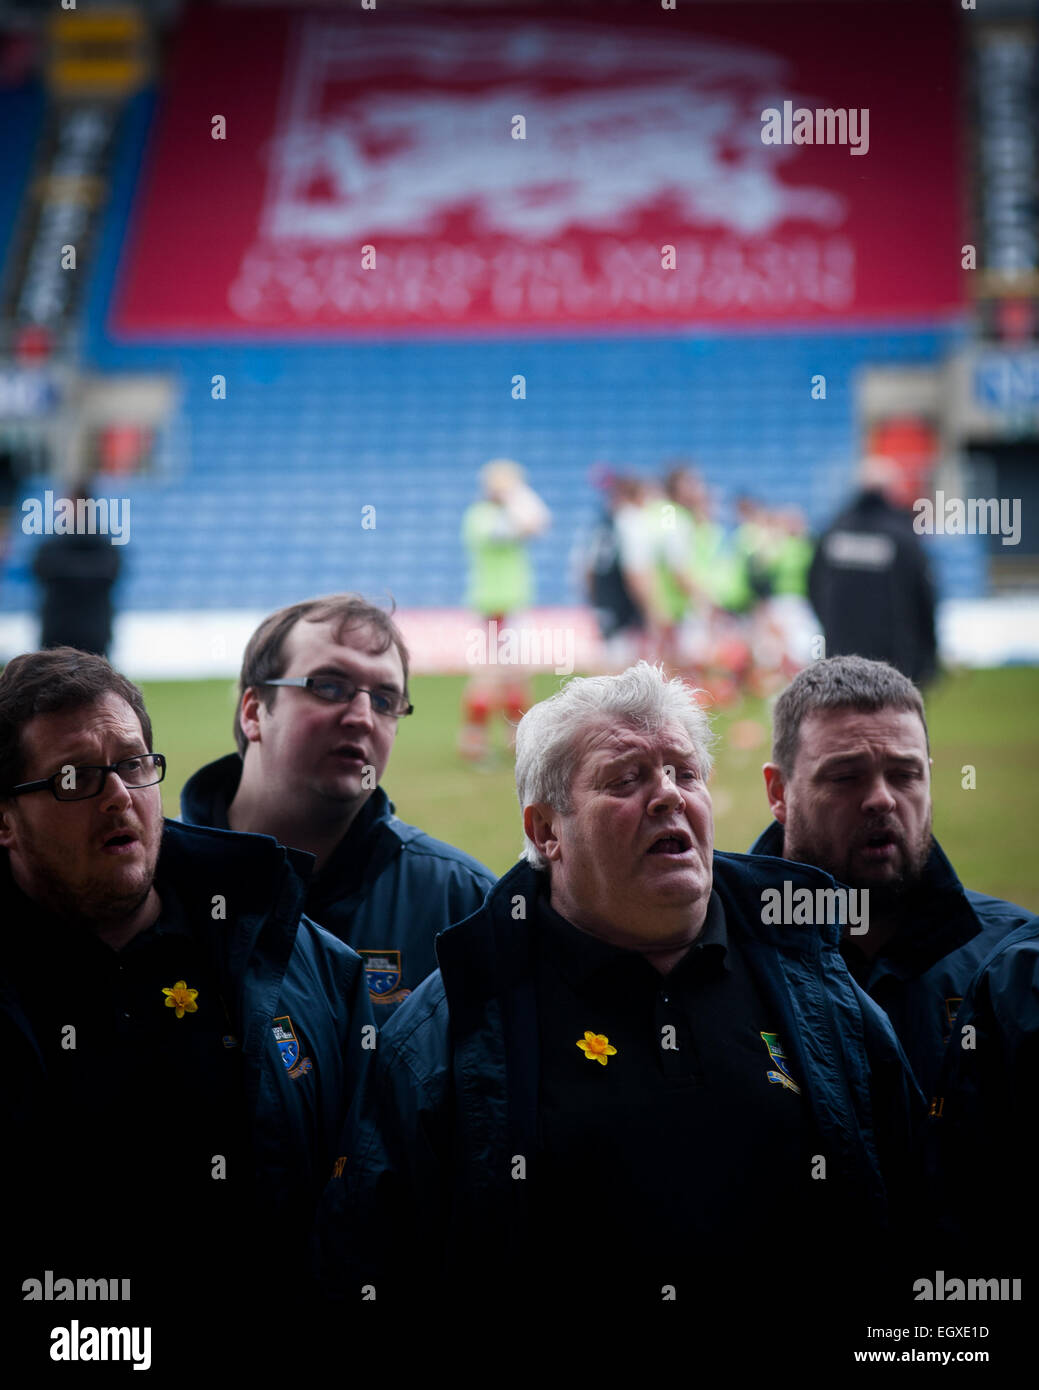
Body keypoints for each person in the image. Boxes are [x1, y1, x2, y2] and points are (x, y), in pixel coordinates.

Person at [320, 662, 922, 1339]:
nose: (668, 797)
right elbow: (372, 1272)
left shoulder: (821, 985)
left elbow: (913, 1220)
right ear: (546, 830)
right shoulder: (447, 1032)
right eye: (626, 779)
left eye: (683, 773)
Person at [0, 647, 373, 1366]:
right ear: (6, 820)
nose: (118, 797)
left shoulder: (302, 958)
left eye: (134, 765)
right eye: (75, 777)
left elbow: (366, 1203)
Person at [181, 594, 495, 1019]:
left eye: (385, 700)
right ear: (254, 712)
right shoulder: (155, 888)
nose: (362, 717)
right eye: (329, 687)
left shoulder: (463, 904)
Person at [753, 655, 1031, 1100]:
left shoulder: (1011, 961)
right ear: (779, 792)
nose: (881, 799)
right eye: (846, 777)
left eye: (905, 775)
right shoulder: (717, 958)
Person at [808, 455, 937, 685]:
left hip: (840, 656)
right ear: (891, 490)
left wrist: (829, 624)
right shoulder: (902, 536)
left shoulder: (833, 532)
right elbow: (923, 598)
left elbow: (813, 587)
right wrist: (927, 655)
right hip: (894, 660)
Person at [458, 458, 550, 762]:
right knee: (491, 675)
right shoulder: (482, 516)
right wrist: (517, 497)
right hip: (495, 607)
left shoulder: (495, 514)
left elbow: (537, 523)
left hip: (512, 605)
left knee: (517, 675)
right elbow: (530, 524)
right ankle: (475, 739)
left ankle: (514, 738)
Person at [32, 485, 122, 656]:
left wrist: (64, 572)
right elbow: (41, 570)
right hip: (58, 629)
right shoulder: (51, 544)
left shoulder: (104, 545)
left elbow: (109, 573)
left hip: (92, 631)